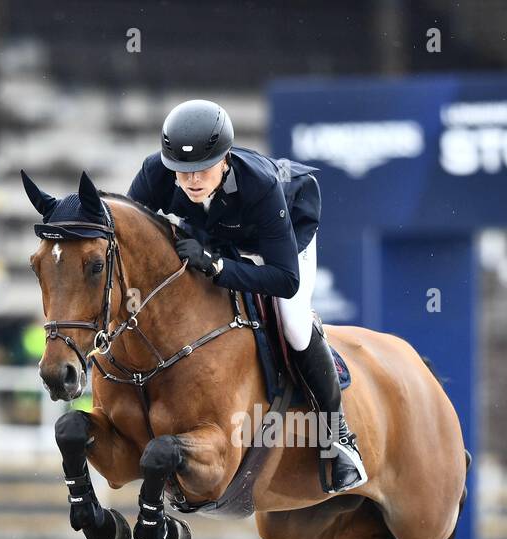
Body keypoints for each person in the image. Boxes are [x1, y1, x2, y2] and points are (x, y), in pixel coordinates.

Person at [127, 99, 367, 494]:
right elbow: (129, 233)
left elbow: (284, 278)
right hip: (217, 235)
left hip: (282, 240)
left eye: (203, 169)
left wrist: (218, 267)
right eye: (182, 172)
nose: (191, 181)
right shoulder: (157, 173)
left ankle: (338, 437)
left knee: (294, 325)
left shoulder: (261, 186)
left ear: (225, 160)